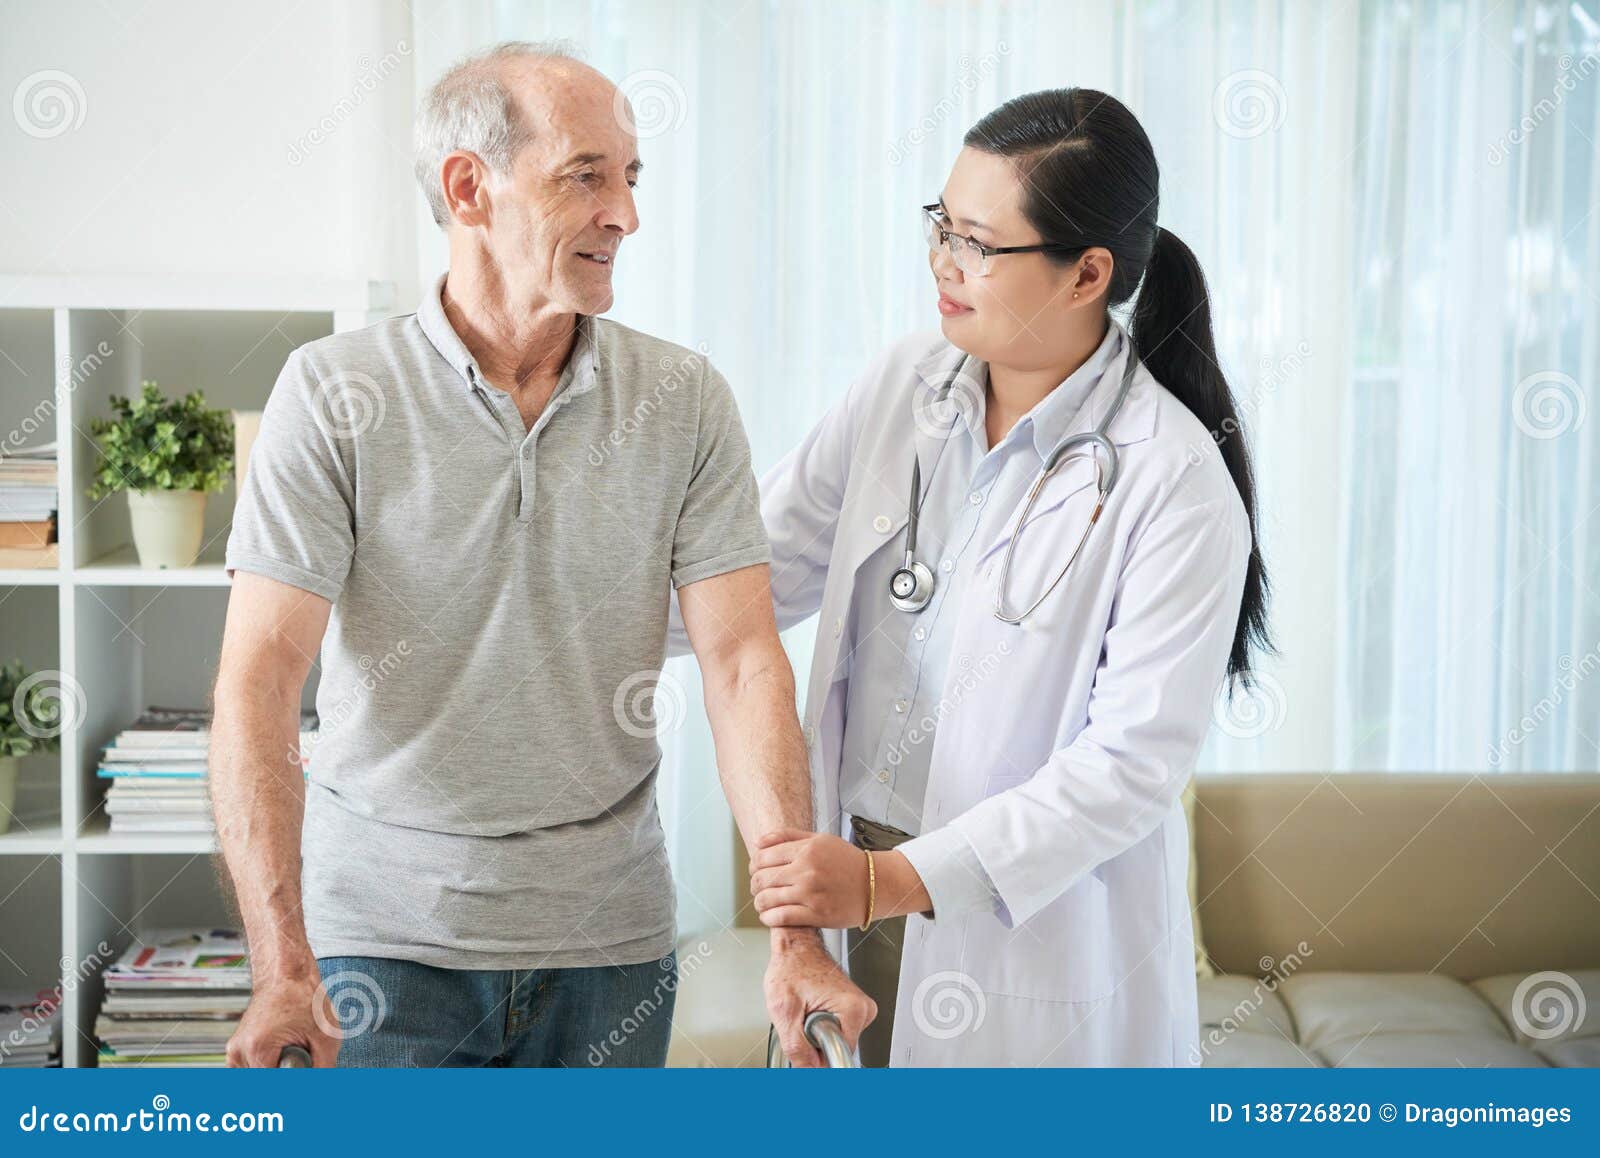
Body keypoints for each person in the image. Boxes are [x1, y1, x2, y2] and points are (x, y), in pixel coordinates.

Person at [211, 40, 870, 1069]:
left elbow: (743, 664)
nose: (626, 214)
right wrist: (281, 963)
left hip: (610, 947)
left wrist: (795, 938)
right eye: (586, 175)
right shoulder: (332, 392)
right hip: (381, 951)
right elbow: (260, 675)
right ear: (470, 188)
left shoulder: (682, 399)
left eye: (631, 177)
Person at [743, 88, 1269, 1066]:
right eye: (941, 224)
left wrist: (891, 881)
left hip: (1023, 924)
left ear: (1086, 275)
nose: (943, 261)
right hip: (852, 887)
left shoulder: (1172, 478)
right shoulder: (903, 386)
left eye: (979, 243)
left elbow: (1128, 769)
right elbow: (748, 579)